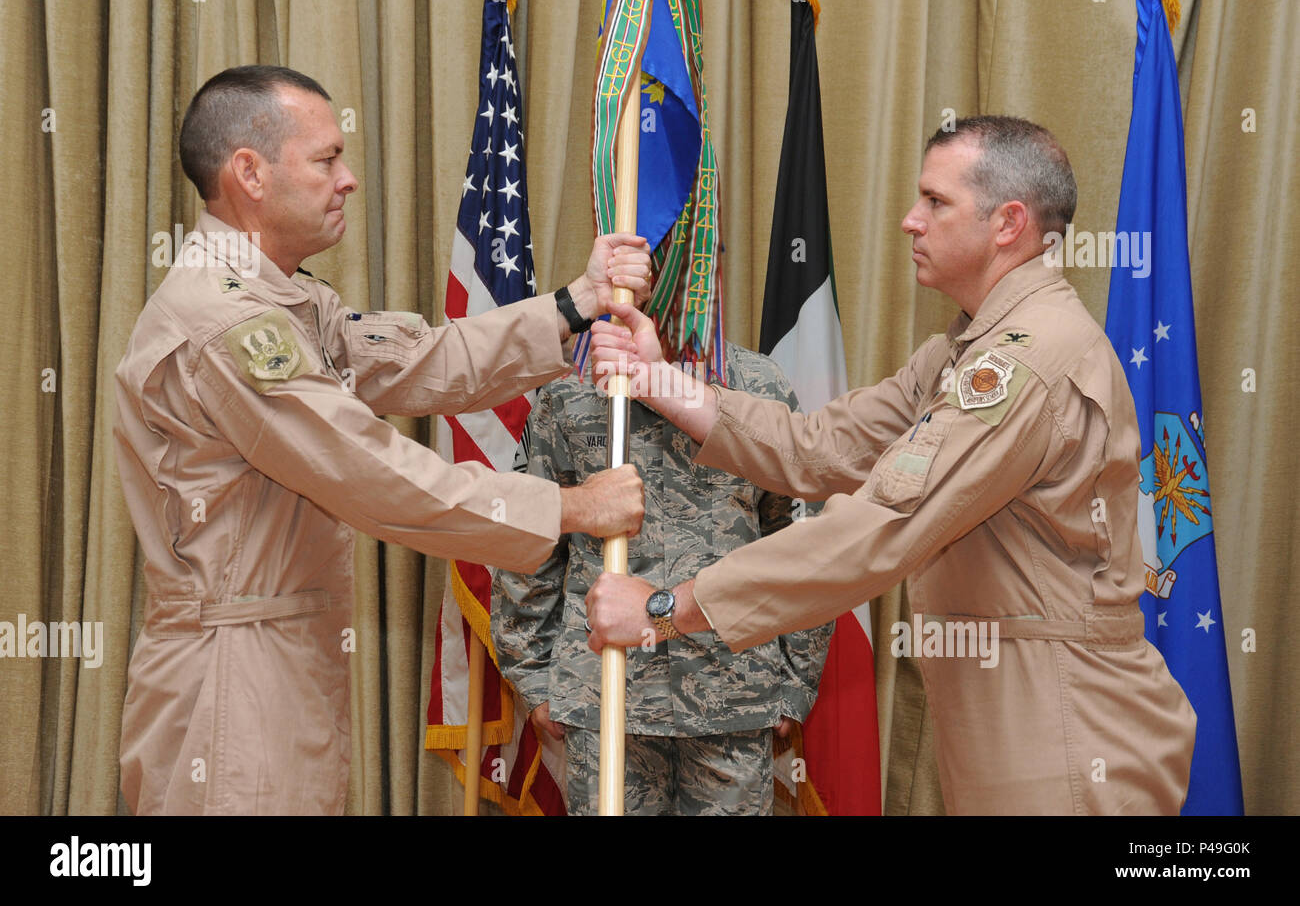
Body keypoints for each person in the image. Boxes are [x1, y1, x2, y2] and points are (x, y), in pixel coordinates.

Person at [584, 116, 1198, 815]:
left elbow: (880, 527)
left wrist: (664, 608)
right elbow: (817, 447)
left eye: (936, 202)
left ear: (1009, 223)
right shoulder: (965, 350)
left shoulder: (1026, 359)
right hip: (1014, 716)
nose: (911, 220)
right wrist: (657, 378)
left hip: (1065, 729)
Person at [113, 65, 650, 815]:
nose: (350, 180)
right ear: (250, 174)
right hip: (231, 681)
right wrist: (569, 507)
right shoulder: (227, 322)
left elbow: (423, 360)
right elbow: (372, 473)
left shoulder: (286, 297)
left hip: (280, 658)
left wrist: (573, 304)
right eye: (327, 159)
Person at [492, 343, 834, 815]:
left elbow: (800, 540)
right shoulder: (570, 391)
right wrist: (534, 678)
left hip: (731, 692)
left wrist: (795, 679)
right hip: (606, 694)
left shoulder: (757, 386)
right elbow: (535, 538)